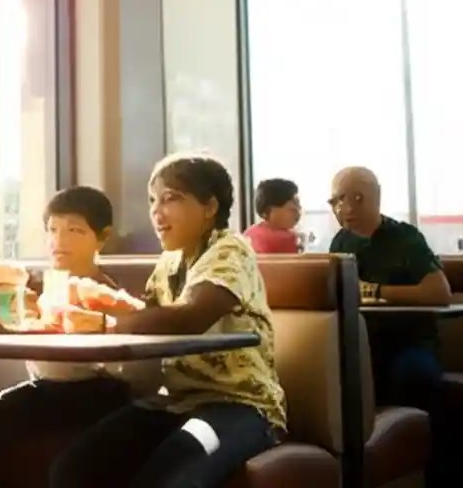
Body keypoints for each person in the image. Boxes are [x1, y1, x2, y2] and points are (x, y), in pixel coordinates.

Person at [48, 153, 286, 488]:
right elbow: (147, 318)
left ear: (210, 207)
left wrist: (106, 323)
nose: (157, 212)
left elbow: (190, 317)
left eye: (171, 198)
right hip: (173, 402)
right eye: (152, 201)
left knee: (169, 476)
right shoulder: (170, 261)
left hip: (239, 407)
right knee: (75, 468)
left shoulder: (230, 250)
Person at [327, 166, 463, 486]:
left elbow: (439, 292)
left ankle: (439, 474)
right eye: (339, 200)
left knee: (414, 377)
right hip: (360, 343)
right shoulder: (341, 242)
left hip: (409, 343)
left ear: (376, 199)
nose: (347, 209)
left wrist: (375, 291)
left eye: (357, 198)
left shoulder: (405, 238)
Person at [0, 187, 137, 488]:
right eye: (53, 230)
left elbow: (122, 357)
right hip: (47, 389)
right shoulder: (41, 286)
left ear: (102, 237)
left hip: (97, 391)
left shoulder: (105, 291)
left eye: (75, 230)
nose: (59, 241)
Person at [243, 178, 302, 254]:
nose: (298, 211)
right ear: (266, 212)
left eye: (298, 205)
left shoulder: (250, 232)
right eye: (292, 209)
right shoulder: (258, 236)